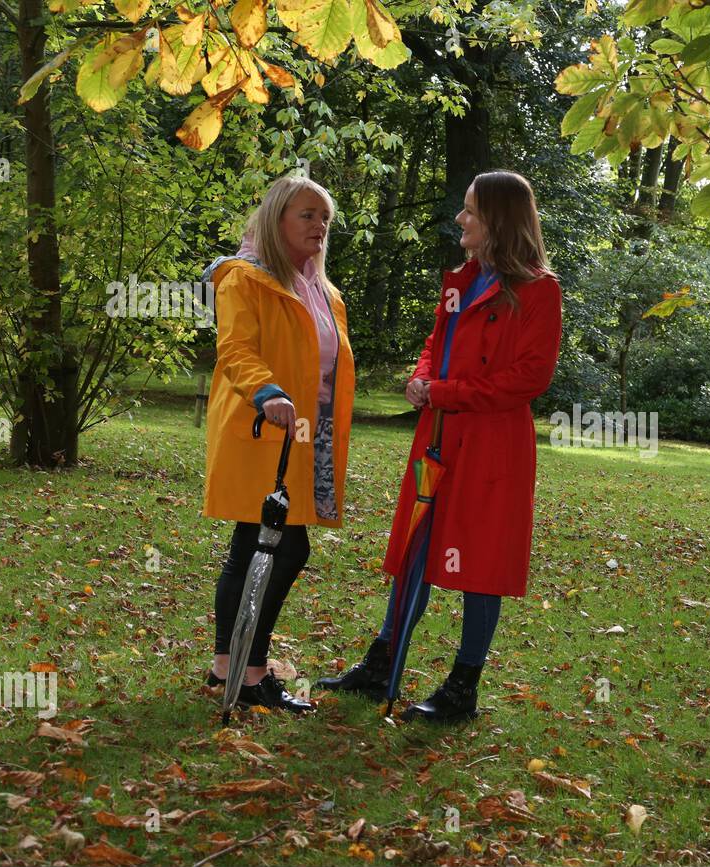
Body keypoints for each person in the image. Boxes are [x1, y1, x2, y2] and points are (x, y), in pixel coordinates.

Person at [316, 169, 562, 723]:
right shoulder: (459, 280)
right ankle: (382, 661)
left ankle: (462, 686)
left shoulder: (539, 290)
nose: (460, 218)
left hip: (493, 447)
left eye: (470, 208)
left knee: (482, 562)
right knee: (414, 550)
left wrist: (445, 390)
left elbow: (531, 378)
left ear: (497, 218)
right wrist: (420, 378)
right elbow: (437, 343)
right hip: (438, 438)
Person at [201, 176, 355, 714]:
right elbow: (235, 349)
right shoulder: (244, 279)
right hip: (263, 429)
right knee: (273, 546)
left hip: (307, 436)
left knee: (264, 546)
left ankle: (232, 668)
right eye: (307, 215)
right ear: (276, 219)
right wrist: (267, 392)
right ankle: (246, 672)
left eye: (324, 218)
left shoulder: (319, 289)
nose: (319, 226)